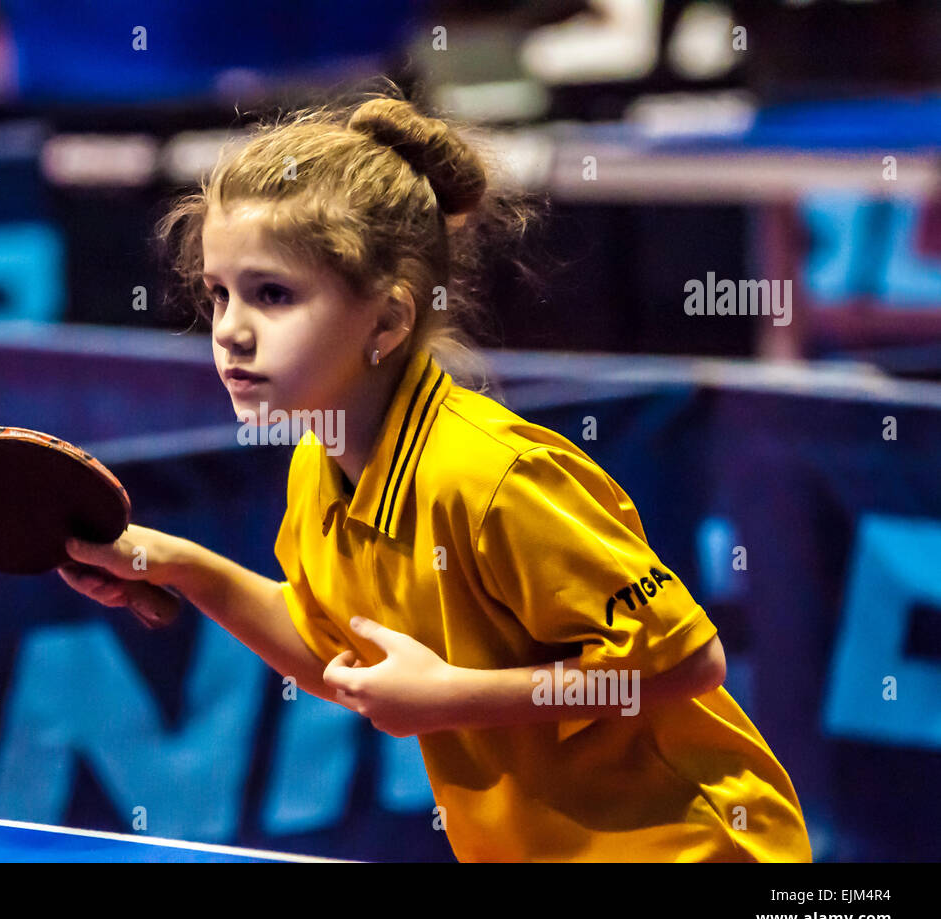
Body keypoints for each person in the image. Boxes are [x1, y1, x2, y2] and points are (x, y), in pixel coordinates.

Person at [59, 84, 812, 862]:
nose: (230, 332)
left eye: (272, 295)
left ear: (386, 320)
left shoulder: (491, 478)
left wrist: (455, 696)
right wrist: (182, 566)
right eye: (219, 294)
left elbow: (685, 664)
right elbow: (335, 652)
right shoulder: (321, 463)